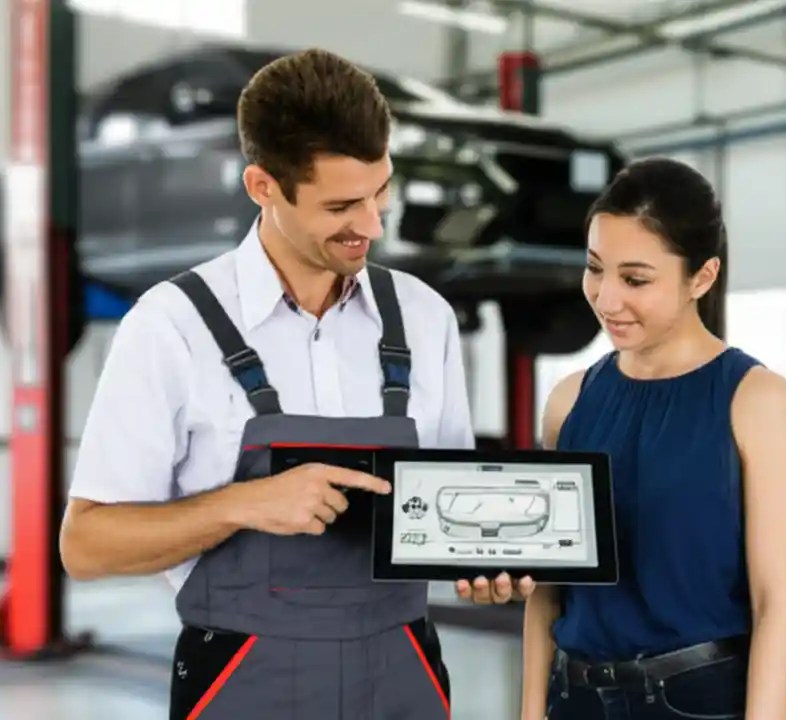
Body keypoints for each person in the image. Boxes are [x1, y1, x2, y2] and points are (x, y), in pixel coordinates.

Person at [58, 48, 528, 720]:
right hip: (246, 685)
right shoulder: (172, 326)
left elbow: (443, 510)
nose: (371, 224)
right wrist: (242, 505)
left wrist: (486, 562)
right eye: (341, 205)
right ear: (263, 187)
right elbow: (87, 545)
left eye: (380, 192)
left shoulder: (425, 318)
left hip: (403, 679)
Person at [519, 158, 786, 720]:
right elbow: (548, 591)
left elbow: (776, 606)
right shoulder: (569, 401)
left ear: (701, 277)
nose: (606, 299)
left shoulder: (758, 402)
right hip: (574, 698)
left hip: (695, 702)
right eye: (595, 269)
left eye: (635, 279)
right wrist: (532, 713)